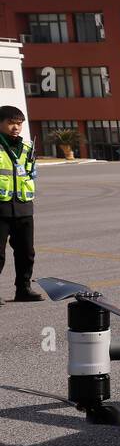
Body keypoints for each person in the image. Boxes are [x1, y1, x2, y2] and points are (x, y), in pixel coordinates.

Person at [0, 105, 42, 306]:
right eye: (10, 123)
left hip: (24, 206)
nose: (15, 127)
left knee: (27, 252)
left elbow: (27, 173)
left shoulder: (26, 148)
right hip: (1, 207)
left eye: (19, 123)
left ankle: (23, 289)